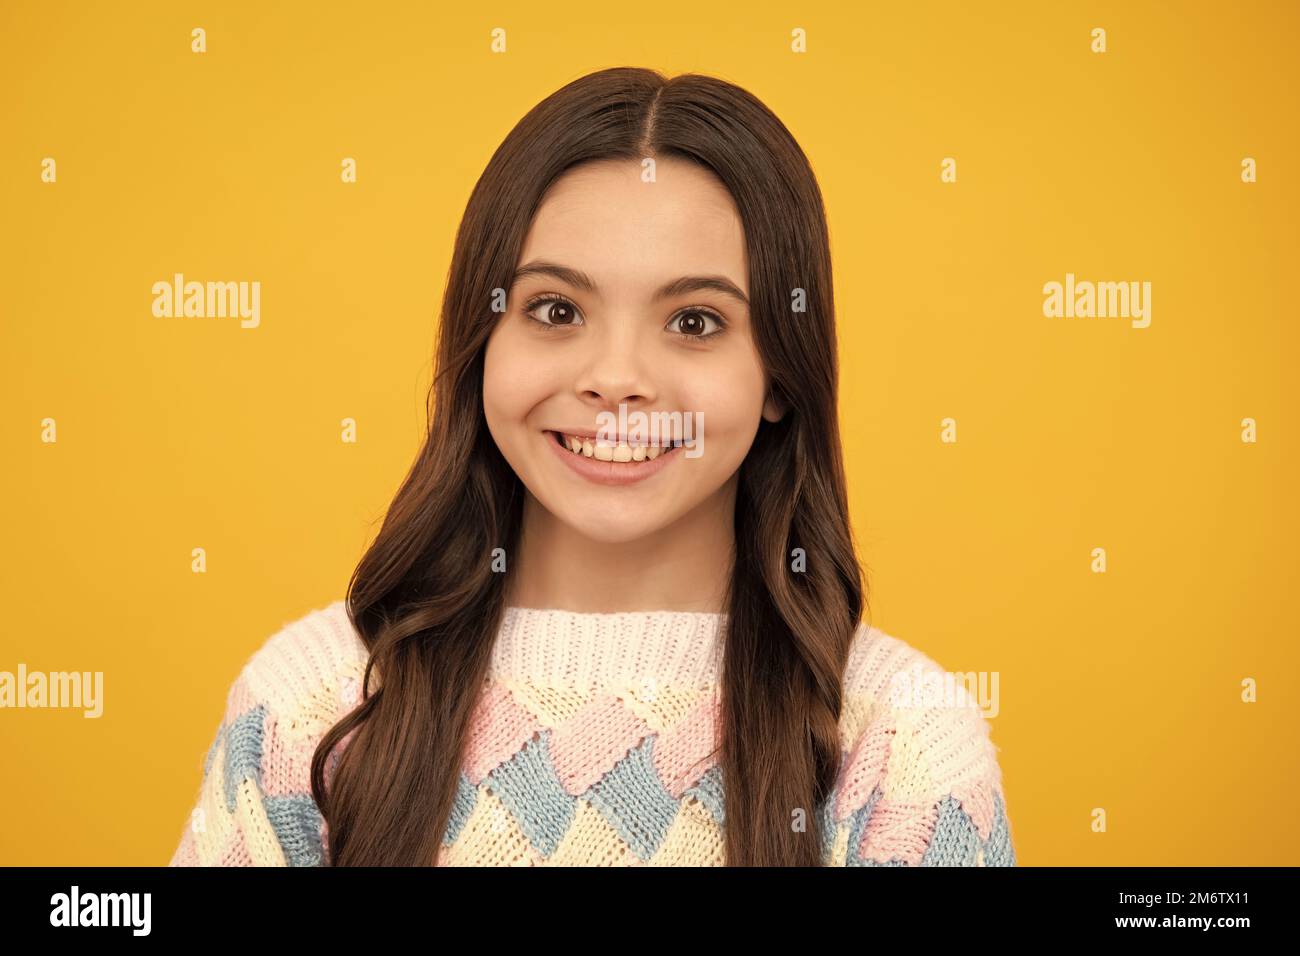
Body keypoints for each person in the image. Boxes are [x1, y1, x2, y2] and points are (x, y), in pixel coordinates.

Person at [168, 66, 1015, 867]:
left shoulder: (902, 743)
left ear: (779, 376)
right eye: (556, 309)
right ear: (481, 343)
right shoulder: (310, 704)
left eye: (694, 321)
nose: (615, 379)